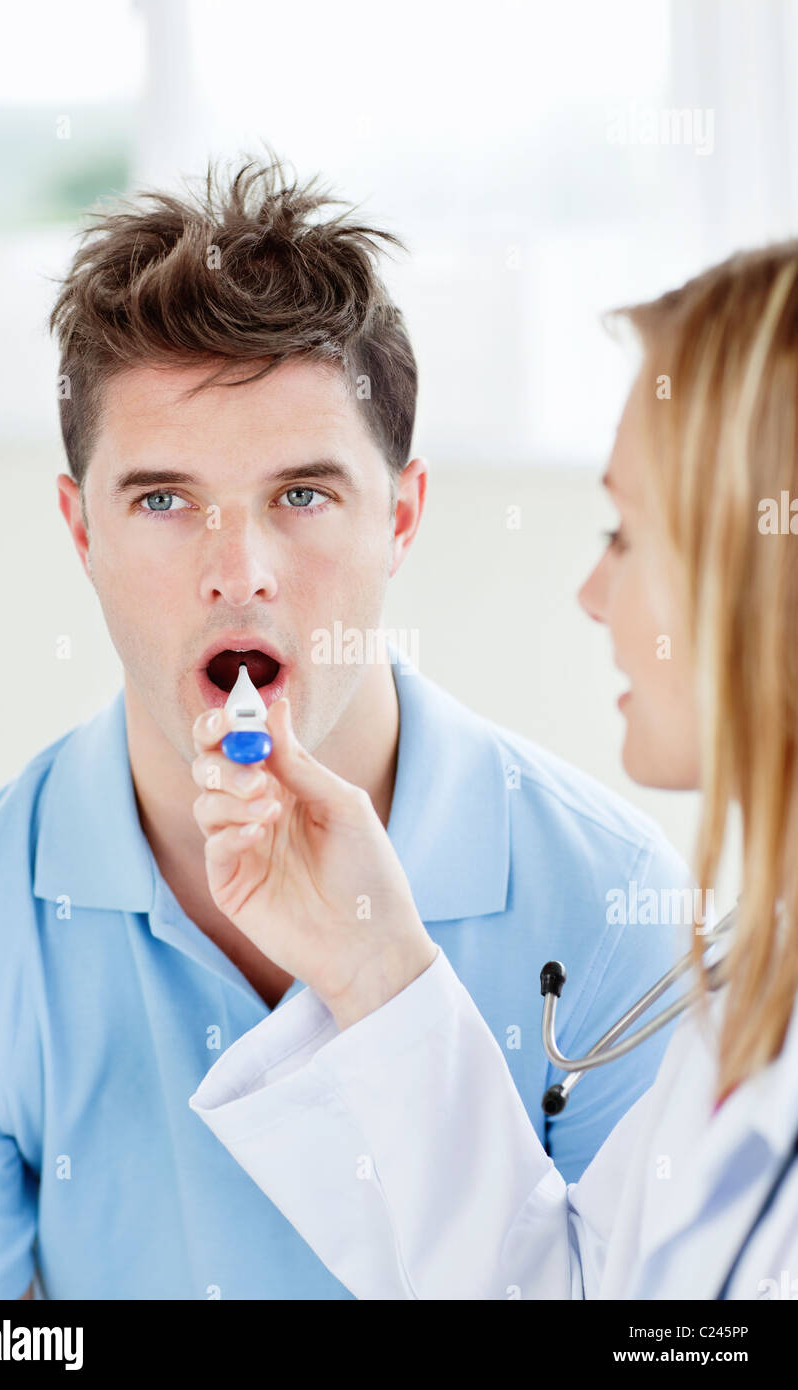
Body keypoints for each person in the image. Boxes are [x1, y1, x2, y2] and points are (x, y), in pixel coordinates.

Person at [0, 158, 688, 1302]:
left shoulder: (619, 906)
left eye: (301, 495)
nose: (238, 576)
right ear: (78, 527)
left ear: (401, 515)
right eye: (162, 500)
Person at [188, 242, 798, 1299]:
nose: (591, 594)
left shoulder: (619, 886)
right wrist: (369, 962)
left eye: (627, 533)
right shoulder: (749, 1001)